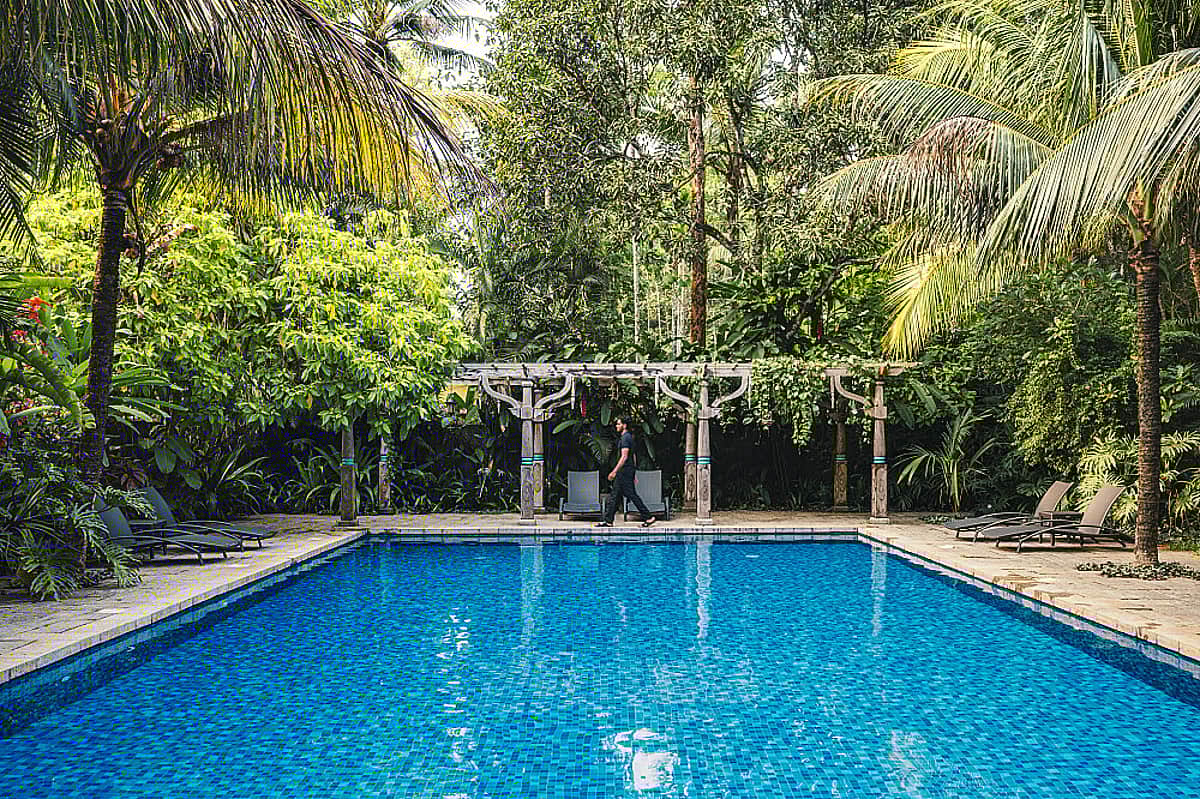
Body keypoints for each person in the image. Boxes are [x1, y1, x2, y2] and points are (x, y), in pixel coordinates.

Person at [597, 417, 656, 527]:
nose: (616, 426)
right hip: (627, 471)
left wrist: (614, 471)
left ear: (624, 425)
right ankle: (608, 520)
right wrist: (633, 472)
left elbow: (624, 457)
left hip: (624, 472)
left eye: (618, 424)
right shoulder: (629, 437)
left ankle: (648, 517)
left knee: (631, 495)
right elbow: (633, 456)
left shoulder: (625, 438)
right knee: (616, 495)